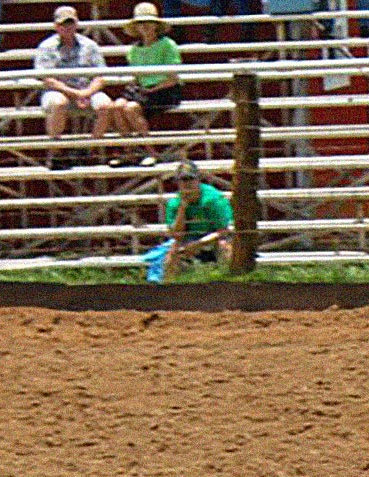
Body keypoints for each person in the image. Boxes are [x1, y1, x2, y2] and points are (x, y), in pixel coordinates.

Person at [35, 5, 114, 166]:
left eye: (70, 23)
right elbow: (47, 79)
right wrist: (75, 94)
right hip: (59, 91)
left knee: (106, 105)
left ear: (77, 24)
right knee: (58, 103)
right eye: (63, 24)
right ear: (56, 26)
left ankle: (88, 150)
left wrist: (86, 93)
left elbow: (101, 76)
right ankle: (56, 154)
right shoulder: (46, 47)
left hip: (87, 90)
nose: (67, 27)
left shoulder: (90, 45)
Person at [110, 2, 180, 157]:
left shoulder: (168, 45)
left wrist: (150, 89)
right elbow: (136, 77)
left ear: (155, 25)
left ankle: (150, 152)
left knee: (131, 108)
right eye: (141, 23)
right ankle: (129, 150)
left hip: (165, 90)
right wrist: (138, 88)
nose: (145, 26)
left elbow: (173, 79)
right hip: (143, 90)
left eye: (148, 22)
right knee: (116, 107)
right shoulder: (134, 50)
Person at [161, 161, 233, 277]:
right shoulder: (174, 203)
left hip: (213, 239)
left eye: (190, 179)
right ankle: (170, 288)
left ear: (198, 180)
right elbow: (177, 235)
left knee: (225, 247)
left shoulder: (212, 199)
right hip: (189, 240)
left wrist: (199, 243)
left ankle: (231, 284)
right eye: (183, 180)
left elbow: (223, 230)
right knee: (172, 253)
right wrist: (182, 207)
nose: (187, 183)